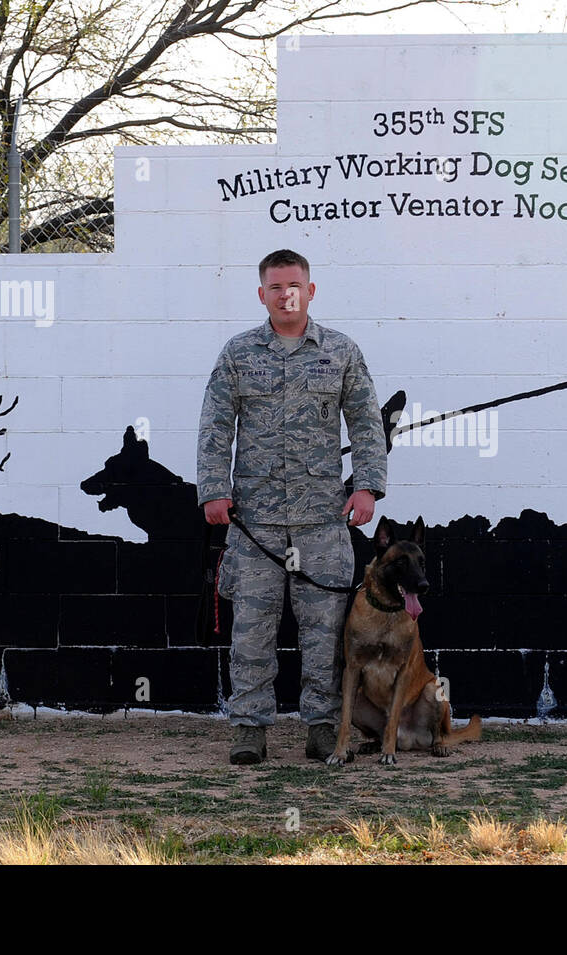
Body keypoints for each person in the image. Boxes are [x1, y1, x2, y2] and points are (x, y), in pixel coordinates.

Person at [197, 249, 387, 764]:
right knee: (252, 632)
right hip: (255, 522)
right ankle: (249, 729)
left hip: (321, 520)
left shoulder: (341, 352)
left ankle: (324, 728)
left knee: (324, 635)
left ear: (311, 289)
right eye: (276, 287)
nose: (287, 294)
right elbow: (216, 425)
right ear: (262, 294)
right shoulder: (238, 354)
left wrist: (367, 485)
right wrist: (214, 489)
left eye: (295, 285)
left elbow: (368, 423)